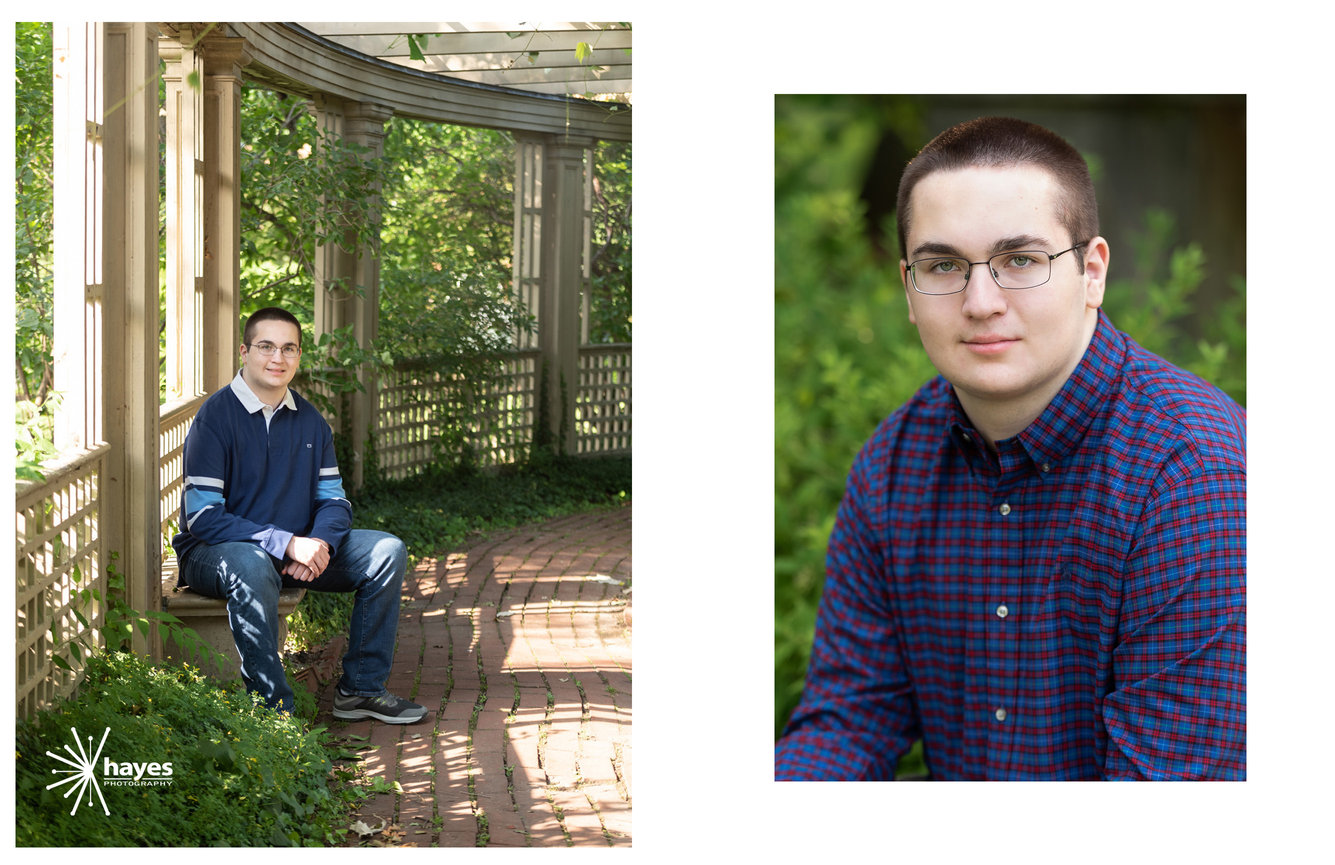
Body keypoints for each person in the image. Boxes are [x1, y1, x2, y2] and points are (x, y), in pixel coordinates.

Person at [774, 116, 1245, 780]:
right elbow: (850, 722)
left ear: (1091, 272)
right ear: (908, 287)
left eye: (1018, 260)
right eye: (942, 265)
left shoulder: (1189, 473)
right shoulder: (891, 465)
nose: (979, 301)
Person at [172, 306, 427, 724]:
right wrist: (288, 542)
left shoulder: (310, 422)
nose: (278, 358)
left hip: (297, 550)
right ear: (244, 351)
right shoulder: (214, 418)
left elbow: (334, 501)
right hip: (216, 554)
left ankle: (360, 689)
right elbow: (203, 518)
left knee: (386, 551)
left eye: (289, 348)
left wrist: (320, 544)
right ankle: (274, 713)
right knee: (252, 563)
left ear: (299, 356)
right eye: (266, 346)